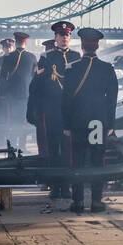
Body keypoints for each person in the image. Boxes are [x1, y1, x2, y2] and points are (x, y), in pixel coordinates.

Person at [61, 27, 117, 213]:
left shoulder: (72, 68)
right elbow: (112, 99)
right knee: (97, 161)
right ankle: (96, 202)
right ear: (97, 46)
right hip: (99, 122)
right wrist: (111, 123)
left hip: (77, 121)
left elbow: (66, 99)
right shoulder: (107, 69)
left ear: (83, 46)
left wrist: (66, 125)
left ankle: (77, 201)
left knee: (76, 161)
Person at [31, 23, 79, 199]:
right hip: (52, 110)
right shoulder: (46, 57)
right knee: (53, 149)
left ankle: (66, 186)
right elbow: (36, 85)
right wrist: (36, 108)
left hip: (70, 112)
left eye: (67, 35)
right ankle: (55, 186)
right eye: (61, 35)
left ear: (70, 38)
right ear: (55, 38)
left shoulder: (76, 56)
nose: (64, 38)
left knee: (69, 150)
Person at [0, 32, 36, 150]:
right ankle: (22, 147)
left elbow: (2, 78)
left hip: (12, 96)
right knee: (23, 122)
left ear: (16, 41)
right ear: (25, 42)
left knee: (12, 122)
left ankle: (12, 146)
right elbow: (35, 77)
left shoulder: (8, 57)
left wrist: (3, 94)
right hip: (27, 95)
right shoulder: (32, 57)